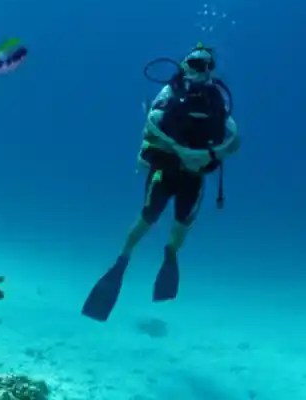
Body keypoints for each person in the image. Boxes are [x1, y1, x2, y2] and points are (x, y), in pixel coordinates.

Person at [81, 44, 241, 322]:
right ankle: (122, 260)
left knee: (181, 225)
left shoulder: (217, 98)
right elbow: (151, 125)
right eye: (193, 62)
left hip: (194, 176)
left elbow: (234, 140)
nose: (198, 69)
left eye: (205, 65)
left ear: (211, 68)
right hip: (166, 170)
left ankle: (170, 253)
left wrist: (206, 154)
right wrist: (183, 153)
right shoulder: (171, 92)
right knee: (147, 217)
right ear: (185, 63)